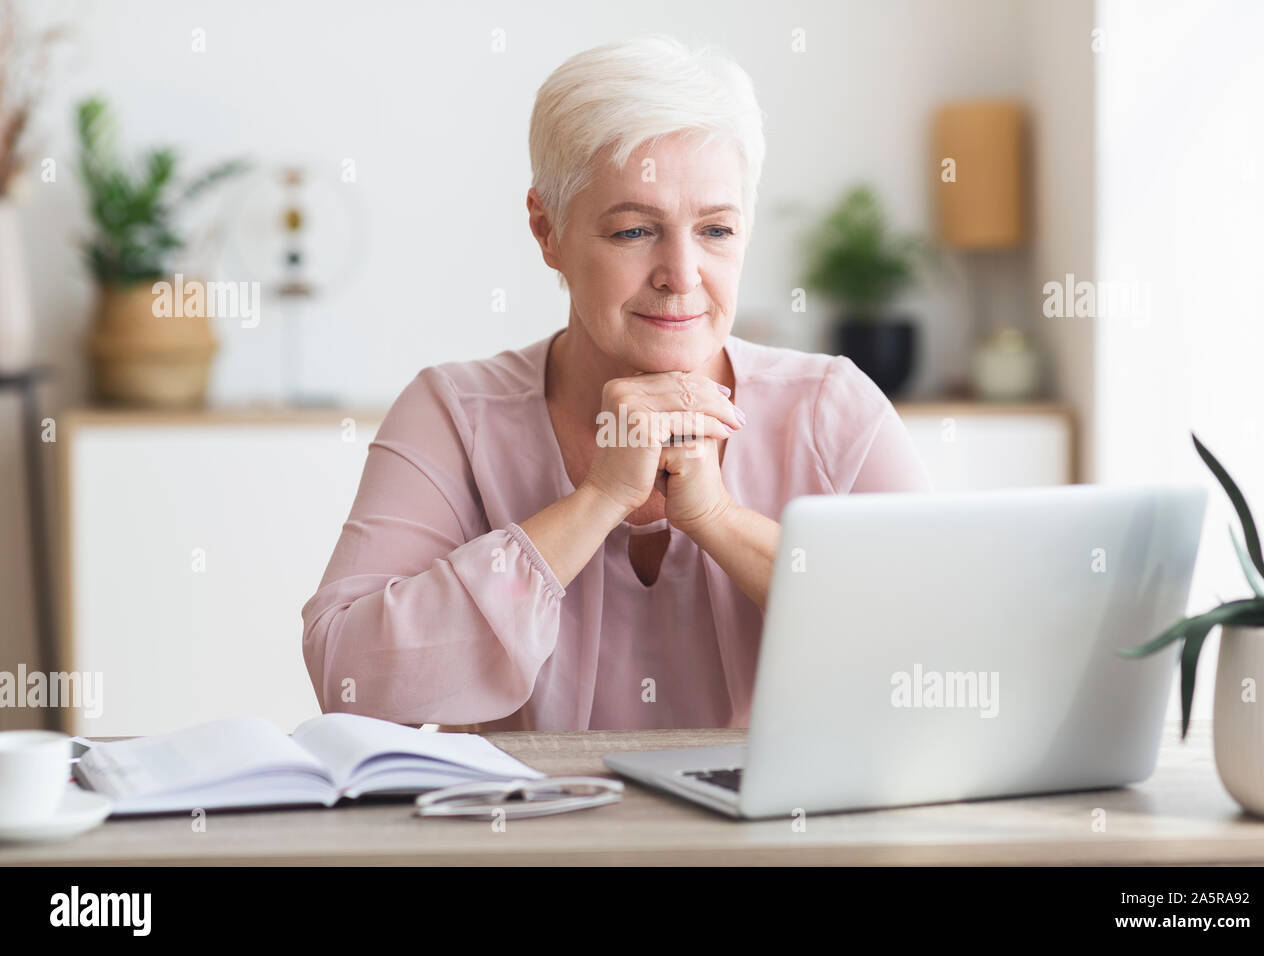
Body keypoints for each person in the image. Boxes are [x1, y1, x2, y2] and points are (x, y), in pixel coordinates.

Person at [300, 34, 933, 732]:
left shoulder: (831, 410)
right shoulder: (454, 413)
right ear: (548, 230)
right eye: (635, 232)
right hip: (525, 839)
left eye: (716, 230)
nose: (682, 274)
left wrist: (719, 523)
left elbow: (933, 659)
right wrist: (599, 499)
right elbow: (350, 678)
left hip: (777, 843)